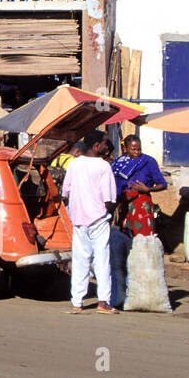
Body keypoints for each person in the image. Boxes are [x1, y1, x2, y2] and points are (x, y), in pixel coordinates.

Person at [61, 130, 118, 315]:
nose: (106, 147)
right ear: (96, 146)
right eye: (104, 143)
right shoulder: (103, 166)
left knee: (80, 260)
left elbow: (65, 192)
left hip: (78, 218)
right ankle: (103, 302)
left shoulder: (74, 164)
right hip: (98, 218)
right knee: (102, 260)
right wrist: (107, 214)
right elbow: (109, 198)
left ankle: (77, 301)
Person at [110, 134, 167, 238]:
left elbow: (162, 184)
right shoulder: (118, 162)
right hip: (123, 206)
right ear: (125, 148)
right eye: (133, 149)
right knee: (124, 237)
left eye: (139, 149)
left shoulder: (148, 162)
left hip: (141, 205)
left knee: (143, 237)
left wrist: (148, 189)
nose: (137, 152)